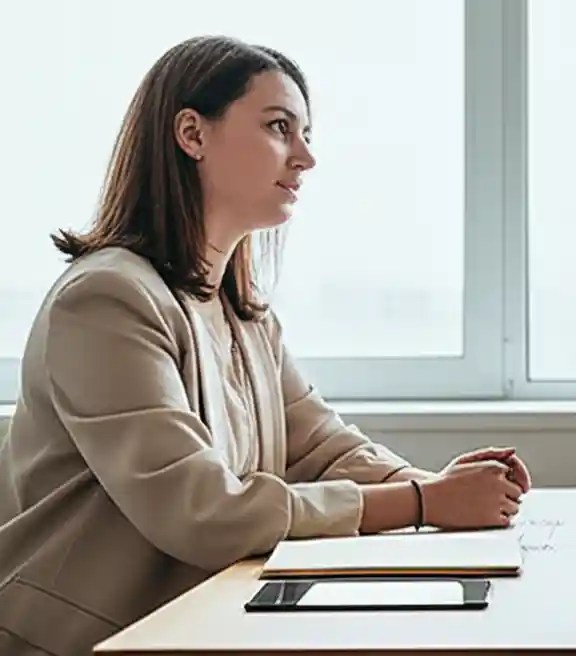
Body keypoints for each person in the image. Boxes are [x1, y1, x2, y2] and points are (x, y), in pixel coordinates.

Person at [0, 36, 533, 656]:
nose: (305, 157)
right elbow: (202, 511)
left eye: (306, 133)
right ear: (192, 135)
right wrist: (420, 502)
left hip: (189, 625)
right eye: (281, 127)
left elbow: (321, 446)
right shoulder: (104, 301)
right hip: (77, 639)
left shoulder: (242, 312)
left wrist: (433, 487)